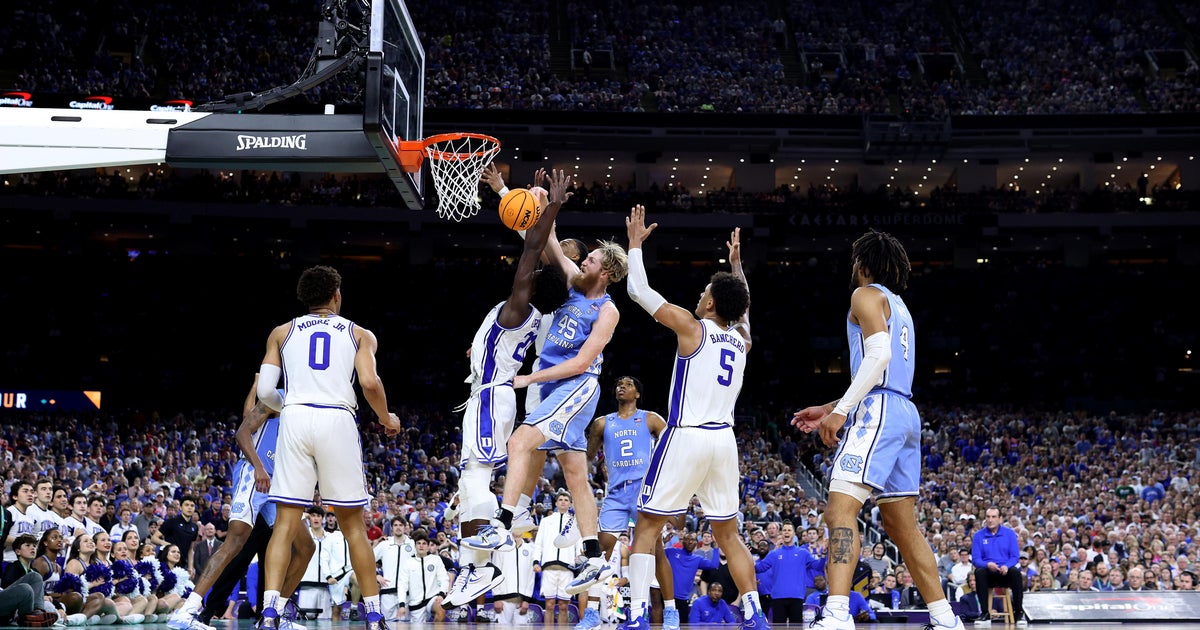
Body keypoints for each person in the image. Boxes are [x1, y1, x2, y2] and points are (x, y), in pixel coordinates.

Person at [792, 229, 964, 630]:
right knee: (902, 526)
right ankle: (944, 618)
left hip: (879, 410)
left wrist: (844, 412)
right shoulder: (900, 307)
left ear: (864, 265)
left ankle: (836, 613)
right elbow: (887, 371)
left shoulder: (865, 295)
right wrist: (831, 407)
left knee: (840, 510)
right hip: (904, 412)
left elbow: (879, 356)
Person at [464, 196, 629, 600]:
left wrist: (528, 379)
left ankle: (502, 523)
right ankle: (592, 553)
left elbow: (581, 364)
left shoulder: (607, 311)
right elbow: (550, 238)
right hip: (558, 388)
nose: (581, 263)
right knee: (575, 472)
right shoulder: (574, 282)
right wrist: (540, 204)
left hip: (577, 386)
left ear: (604, 272)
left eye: (589, 261)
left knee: (520, 441)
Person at [619, 207, 765, 630]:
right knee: (728, 535)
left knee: (646, 526)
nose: (700, 296)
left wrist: (634, 244)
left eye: (705, 292)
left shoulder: (692, 327)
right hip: (724, 442)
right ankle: (754, 614)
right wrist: (737, 268)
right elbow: (745, 310)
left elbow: (637, 289)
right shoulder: (742, 340)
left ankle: (636, 617)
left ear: (711, 301)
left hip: (686, 437)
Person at [446, 168, 571, 609]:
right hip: (494, 395)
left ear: (535, 284)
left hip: (491, 396)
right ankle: (477, 562)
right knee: (472, 478)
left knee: (475, 475)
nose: (526, 271)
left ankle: (479, 565)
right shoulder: (528, 313)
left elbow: (532, 250)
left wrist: (550, 207)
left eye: (531, 273)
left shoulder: (521, 306)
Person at [254, 264, 402, 630]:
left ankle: (270, 611)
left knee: (286, 524)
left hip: (296, 417)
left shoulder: (281, 331)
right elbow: (369, 382)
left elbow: (264, 392)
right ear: (336, 296)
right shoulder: (359, 333)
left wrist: (288, 406)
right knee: (353, 524)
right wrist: (386, 417)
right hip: (336, 418)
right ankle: (373, 616)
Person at [169, 375, 315, 630]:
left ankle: (273, 616)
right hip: (255, 473)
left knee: (306, 547)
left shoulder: (311, 412)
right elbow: (243, 430)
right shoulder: (280, 397)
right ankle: (187, 611)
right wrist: (258, 467)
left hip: (280, 483)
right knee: (235, 542)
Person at [579, 376, 675, 630]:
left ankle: (671, 611)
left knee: (656, 549)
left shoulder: (650, 418)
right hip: (615, 494)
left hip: (644, 493)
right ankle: (591, 612)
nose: (622, 386)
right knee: (600, 551)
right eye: (619, 383)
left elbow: (673, 448)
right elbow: (587, 458)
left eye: (629, 384)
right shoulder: (602, 423)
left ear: (637, 394)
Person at [753, 521, 825, 624]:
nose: (787, 532)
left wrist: (823, 554)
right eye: (784, 530)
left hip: (797, 597)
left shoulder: (803, 553)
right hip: (778, 598)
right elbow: (758, 568)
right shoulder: (774, 554)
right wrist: (746, 555)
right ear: (781, 534)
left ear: (794, 533)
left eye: (789, 530)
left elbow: (818, 566)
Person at [970, 507, 1025, 627]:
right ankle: (985, 613)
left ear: (1000, 519)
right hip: (988, 573)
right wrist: (987, 564)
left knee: (1015, 572)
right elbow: (976, 559)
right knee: (979, 572)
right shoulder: (979, 536)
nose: (990, 520)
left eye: (993, 517)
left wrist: (1007, 566)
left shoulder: (1009, 534)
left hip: (1005, 572)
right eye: (988, 517)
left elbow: (1015, 556)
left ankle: (1019, 612)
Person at [806, 575, 874, 623]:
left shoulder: (857, 596)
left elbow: (872, 614)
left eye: (845, 583)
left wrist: (868, 617)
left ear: (851, 584)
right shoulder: (821, 596)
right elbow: (808, 617)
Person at [160, 497, 199, 571]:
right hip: (167, 563)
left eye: (192, 505)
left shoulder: (195, 527)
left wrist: (190, 567)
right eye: (186, 505)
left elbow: (191, 548)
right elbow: (154, 538)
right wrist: (167, 544)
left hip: (183, 564)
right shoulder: (171, 521)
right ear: (181, 507)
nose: (189, 508)